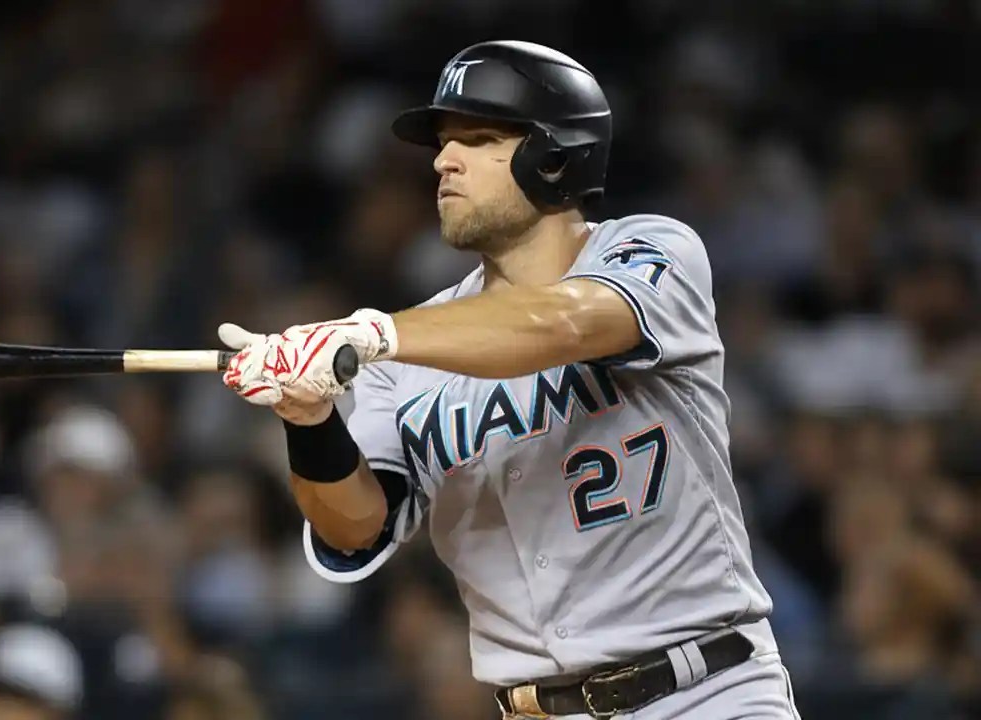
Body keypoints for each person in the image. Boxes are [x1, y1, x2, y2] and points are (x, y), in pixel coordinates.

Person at [218, 41, 800, 718]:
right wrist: (309, 420)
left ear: (553, 156)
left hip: (705, 690)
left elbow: (564, 323)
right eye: (443, 143)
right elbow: (355, 526)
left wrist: (371, 335)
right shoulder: (404, 353)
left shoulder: (651, 249)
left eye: (478, 139)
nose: (443, 160)